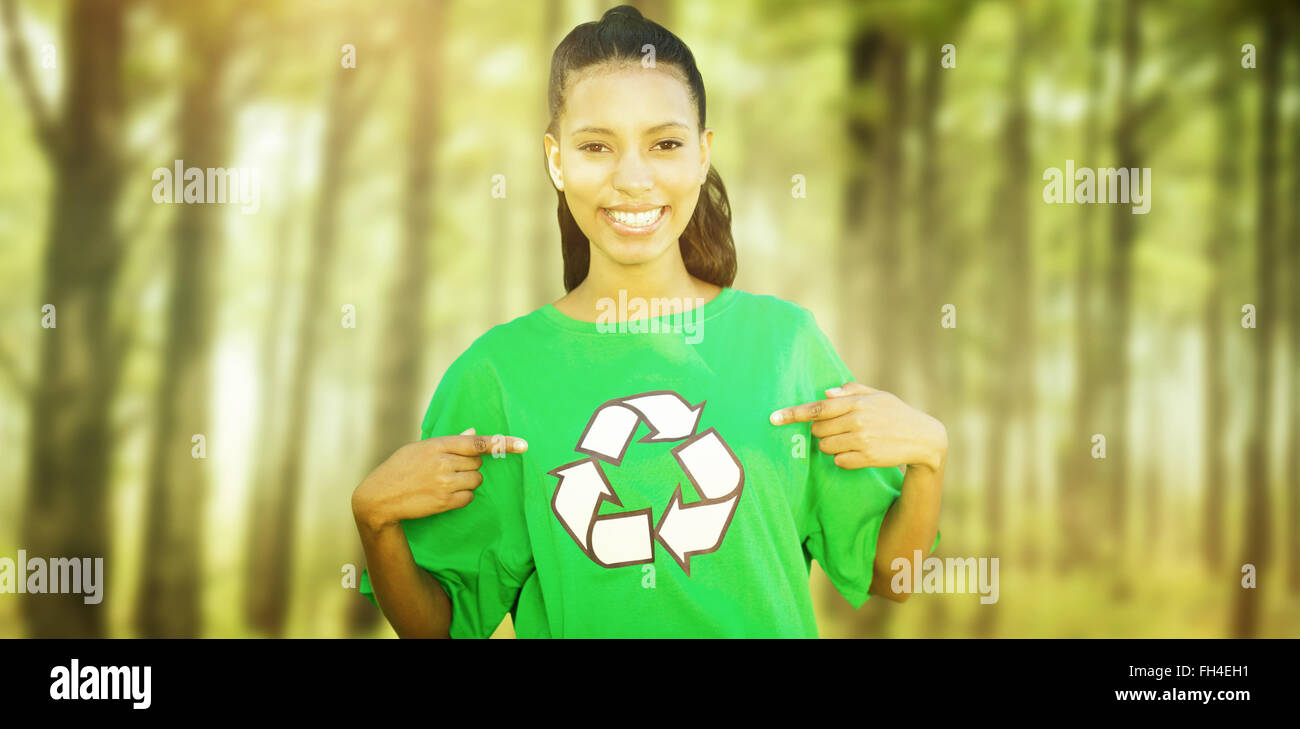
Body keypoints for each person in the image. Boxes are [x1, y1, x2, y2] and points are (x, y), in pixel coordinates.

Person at [351, 5, 946, 638]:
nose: (633, 179)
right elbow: (438, 626)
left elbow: (891, 576)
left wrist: (928, 456)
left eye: (665, 144)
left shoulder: (785, 346)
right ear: (556, 161)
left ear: (702, 154)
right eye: (595, 147)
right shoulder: (499, 374)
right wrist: (373, 523)